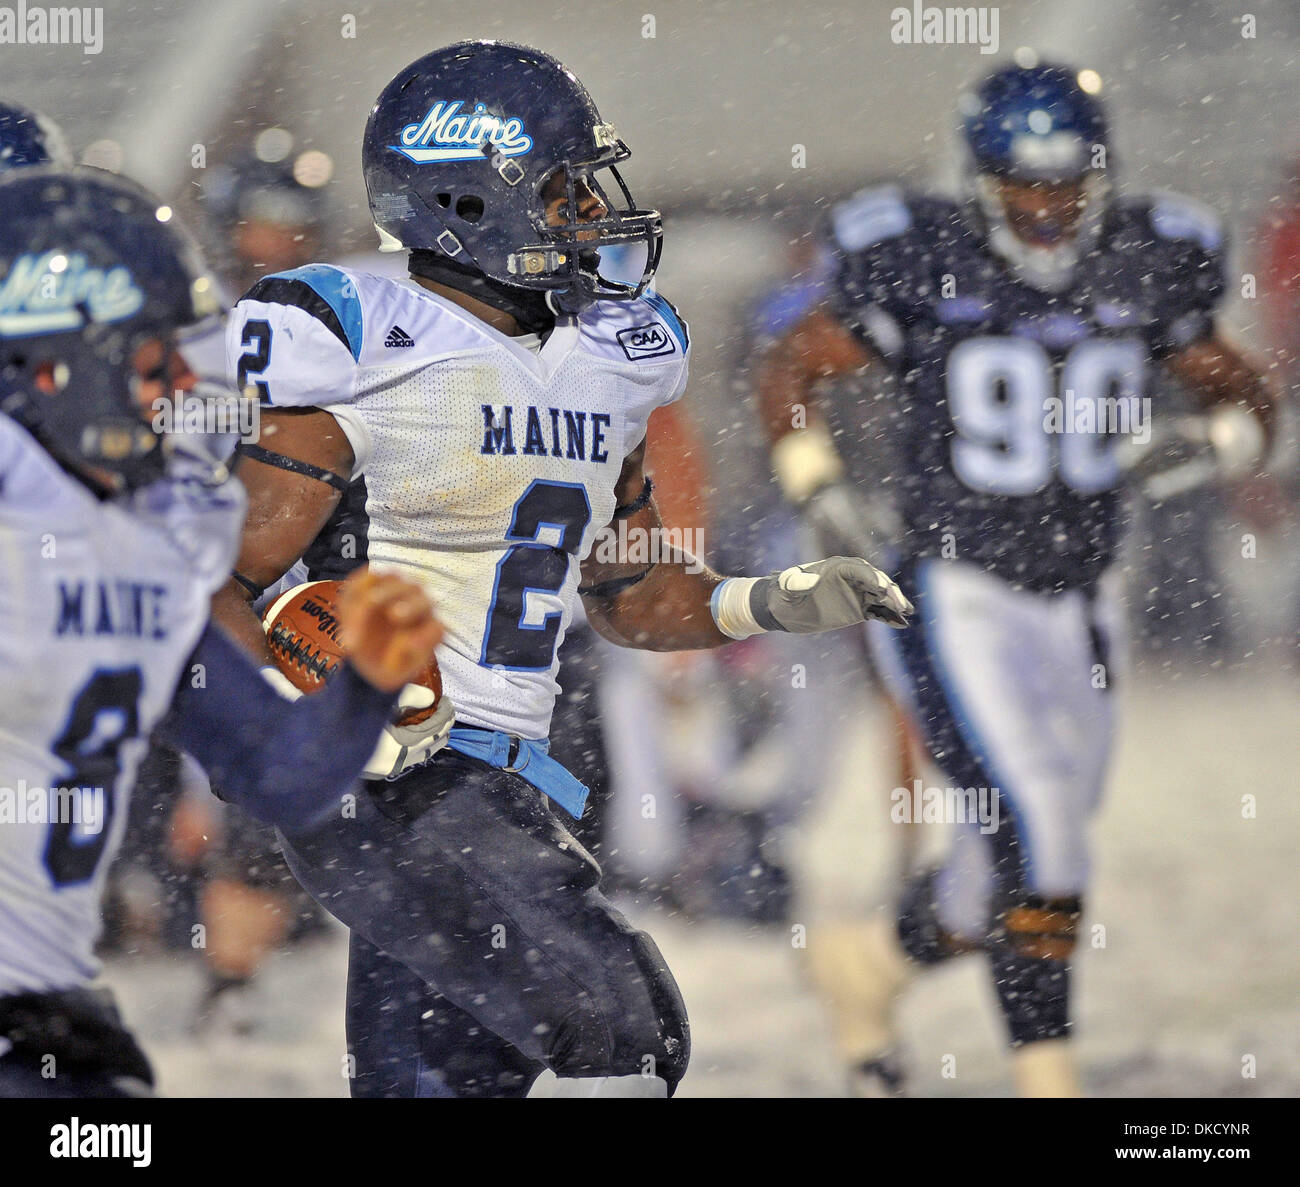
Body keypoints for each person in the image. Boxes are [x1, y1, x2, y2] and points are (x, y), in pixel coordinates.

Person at [213, 40, 912, 1097]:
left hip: (502, 781)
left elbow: (632, 593)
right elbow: (220, 576)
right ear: (468, 196)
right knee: (625, 1032)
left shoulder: (609, 355)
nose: (593, 210)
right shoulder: (364, 338)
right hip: (400, 786)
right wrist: (296, 707)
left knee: (441, 1085)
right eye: (563, 187)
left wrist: (771, 599)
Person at [755, 60, 1275, 1096]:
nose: (1047, 209)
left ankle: (864, 964)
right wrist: (818, 487)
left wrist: (1215, 443)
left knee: (1001, 862)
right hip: (956, 586)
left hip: (1083, 594)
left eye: (1066, 183)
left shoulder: (1146, 256)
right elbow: (790, 367)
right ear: (983, 180)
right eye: (1024, 185)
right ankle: (1049, 1078)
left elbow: (1246, 394)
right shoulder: (921, 255)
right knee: (1036, 829)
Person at [0, 164, 443, 1096]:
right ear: (42, 367)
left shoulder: (126, 556)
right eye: (151, 362)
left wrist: (364, 677)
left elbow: (279, 776)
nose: (177, 396)